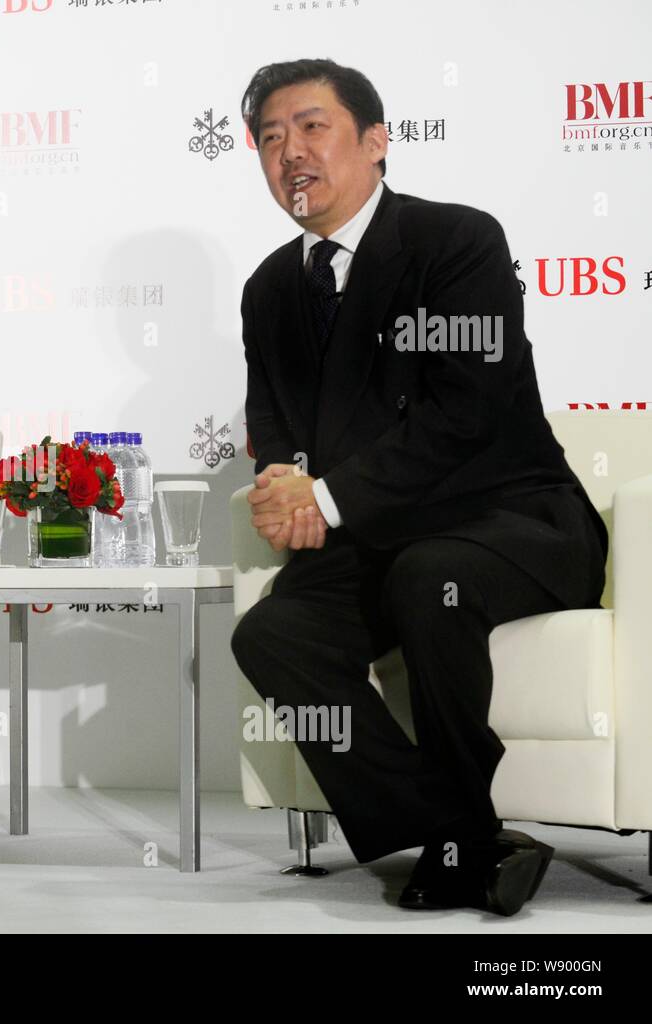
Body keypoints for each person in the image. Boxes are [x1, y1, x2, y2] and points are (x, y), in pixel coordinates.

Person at [229, 60, 607, 915]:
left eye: (312, 127)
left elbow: (464, 415)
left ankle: (456, 842)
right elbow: (273, 416)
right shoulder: (269, 288)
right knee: (274, 635)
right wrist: (281, 476)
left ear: (376, 140)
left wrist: (321, 501)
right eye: (270, 138)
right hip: (378, 532)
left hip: (515, 519)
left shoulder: (454, 241)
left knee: (427, 577)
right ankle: (461, 831)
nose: (290, 152)